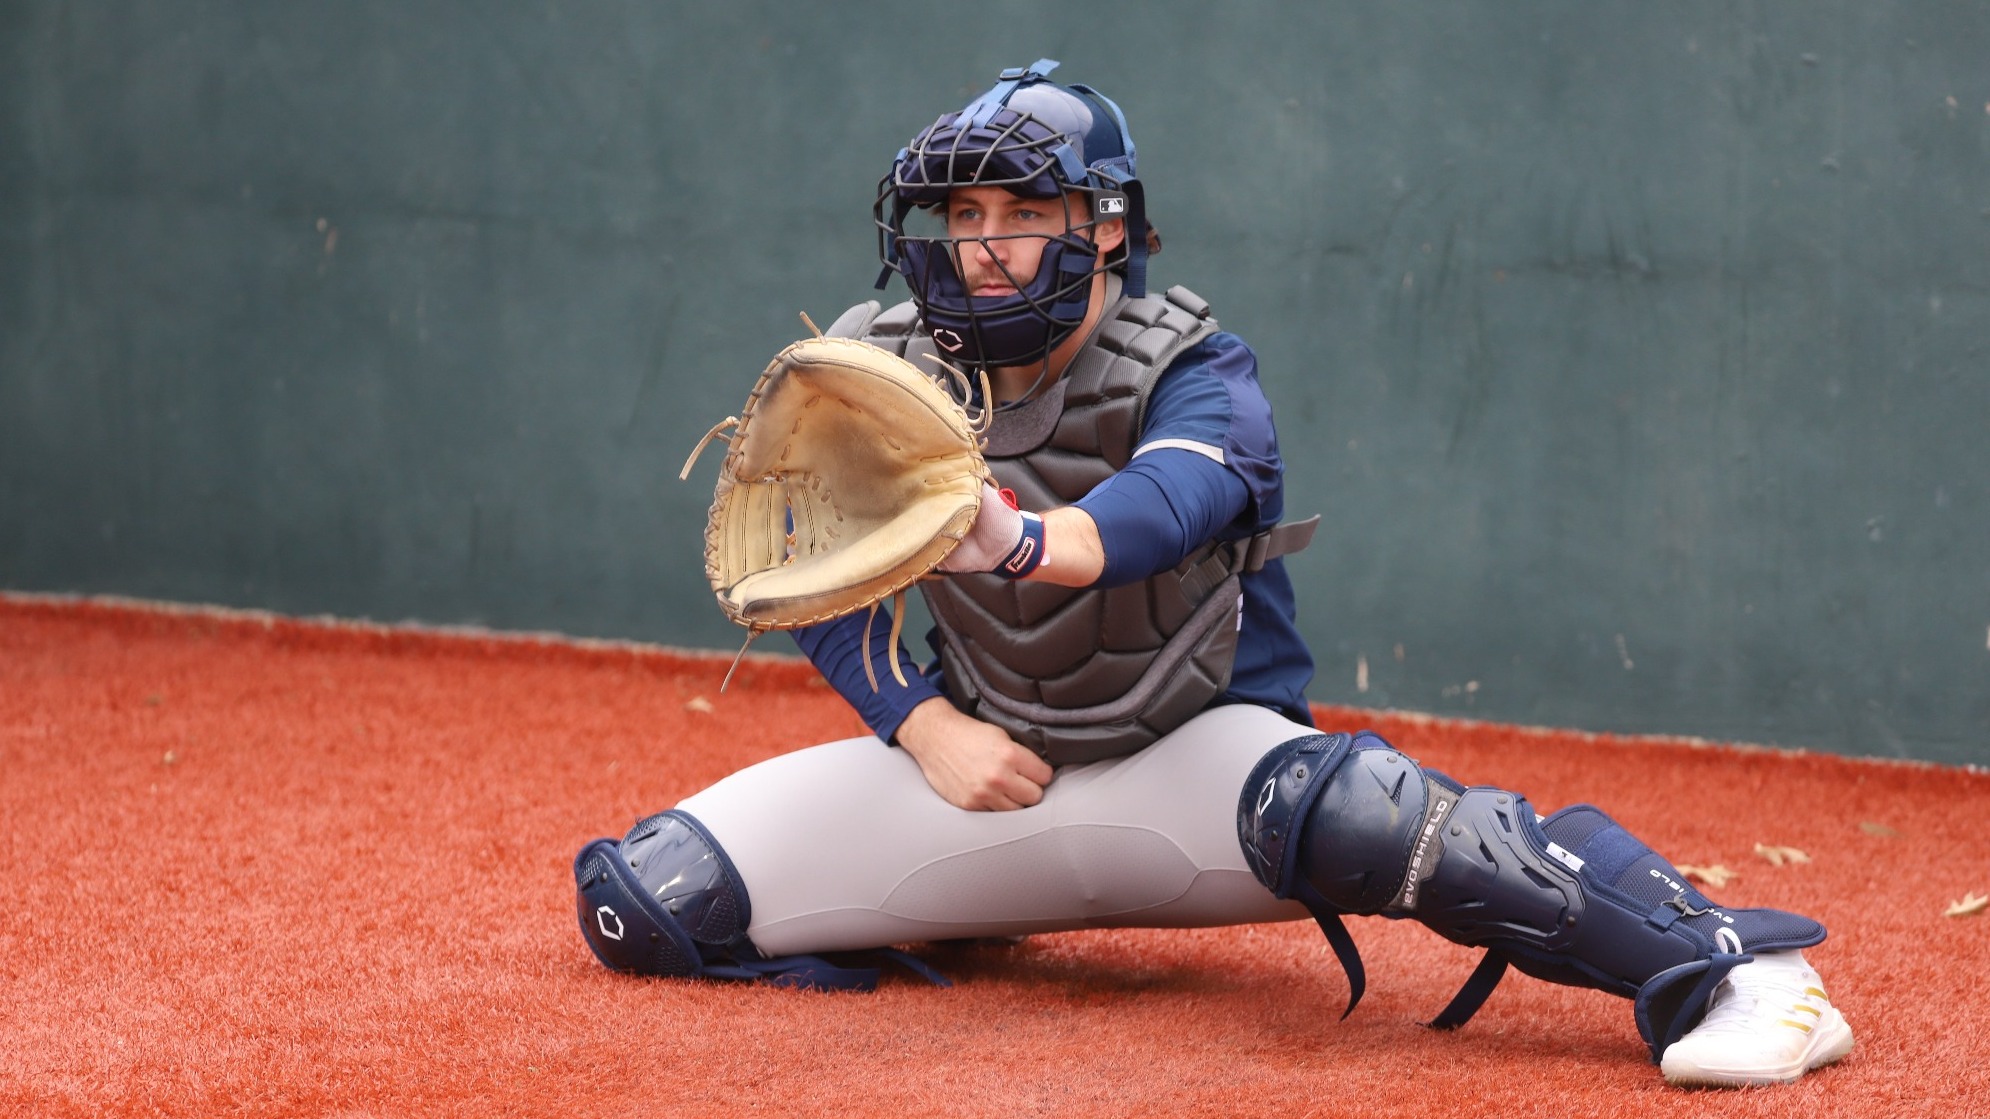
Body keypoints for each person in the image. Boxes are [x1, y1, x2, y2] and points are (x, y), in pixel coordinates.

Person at [574, 60, 1853, 1088]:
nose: (987, 246)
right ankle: (970, 911)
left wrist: (1014, 537)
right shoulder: (882, 361)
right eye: (964, 216)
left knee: (1371, 811)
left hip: (1201, 769)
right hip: (986, 772)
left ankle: (1739, 973)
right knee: (647, 902)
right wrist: (915, 721)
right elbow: (812, 579)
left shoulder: (1195, 368)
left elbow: (1152, 512)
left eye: (1027, 214)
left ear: (1107, 226)